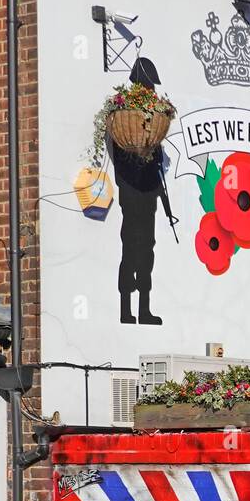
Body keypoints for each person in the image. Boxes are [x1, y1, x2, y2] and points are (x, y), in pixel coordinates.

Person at [113, 56, 172, 326]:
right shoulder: (126, 123)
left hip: (148, 199)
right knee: (130, 251)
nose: (150, 90)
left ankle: (144, 308)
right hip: (133, 198)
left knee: (147, 251)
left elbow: (157, 170)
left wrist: (163, 200)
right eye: (147, 86)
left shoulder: (152, 131)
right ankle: (126, 308)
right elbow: (125, 168)